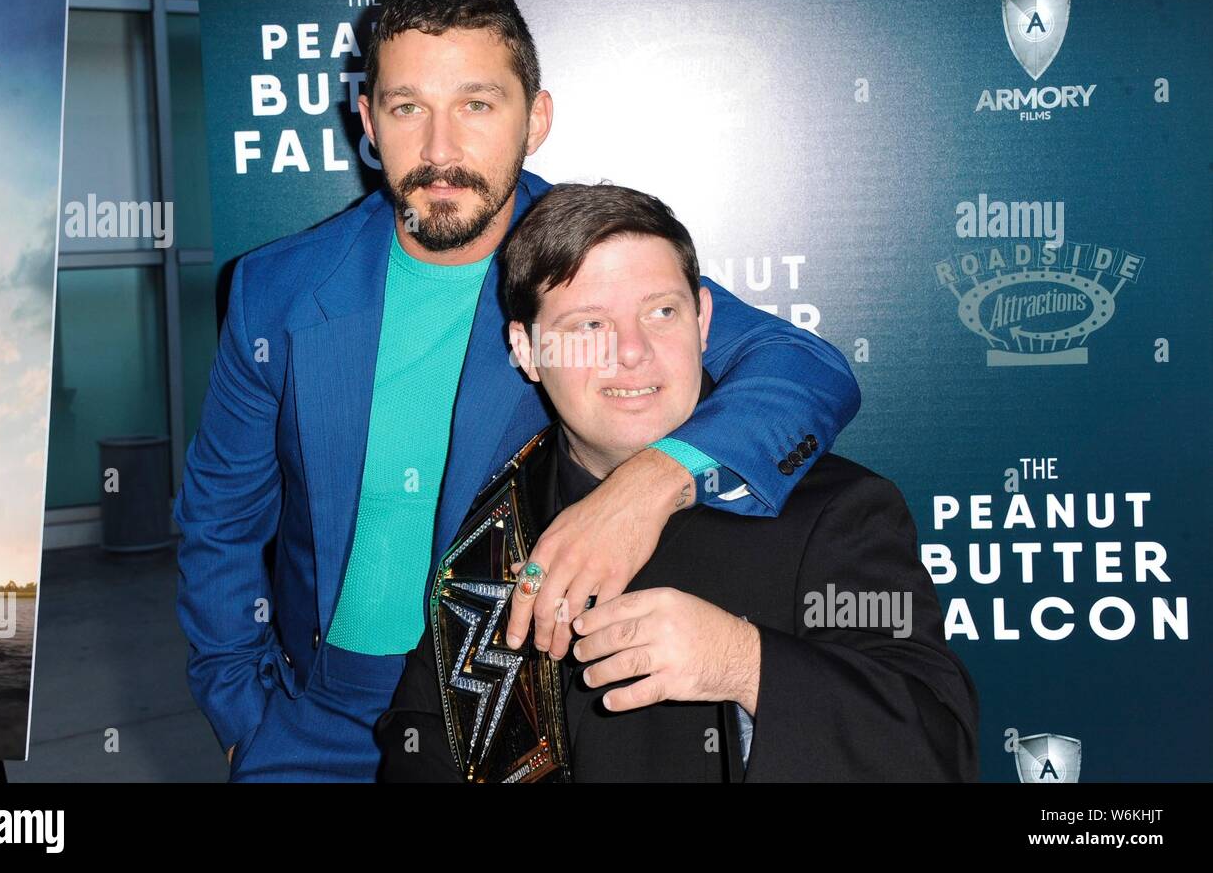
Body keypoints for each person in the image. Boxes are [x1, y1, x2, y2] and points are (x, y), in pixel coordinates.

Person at [174, 0, 861, 782]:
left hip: (502, 720)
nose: (439, 151)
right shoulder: (275, 291)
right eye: (406, 109)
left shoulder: (590, 265)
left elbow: (807, 370)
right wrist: (243, 719)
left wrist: (654, 481)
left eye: (476, 105)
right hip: (310, 725)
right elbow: (219, 520)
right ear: (367, 122)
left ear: (535, 119)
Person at [377, 184, 979, 781]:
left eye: (661, 312)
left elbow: (936, 748)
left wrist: (743, 664)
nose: (633, 352)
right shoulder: (488, 525)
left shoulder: (836, 511)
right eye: (589, 324)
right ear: (527, 350)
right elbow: (423, 748)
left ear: (703, 322)